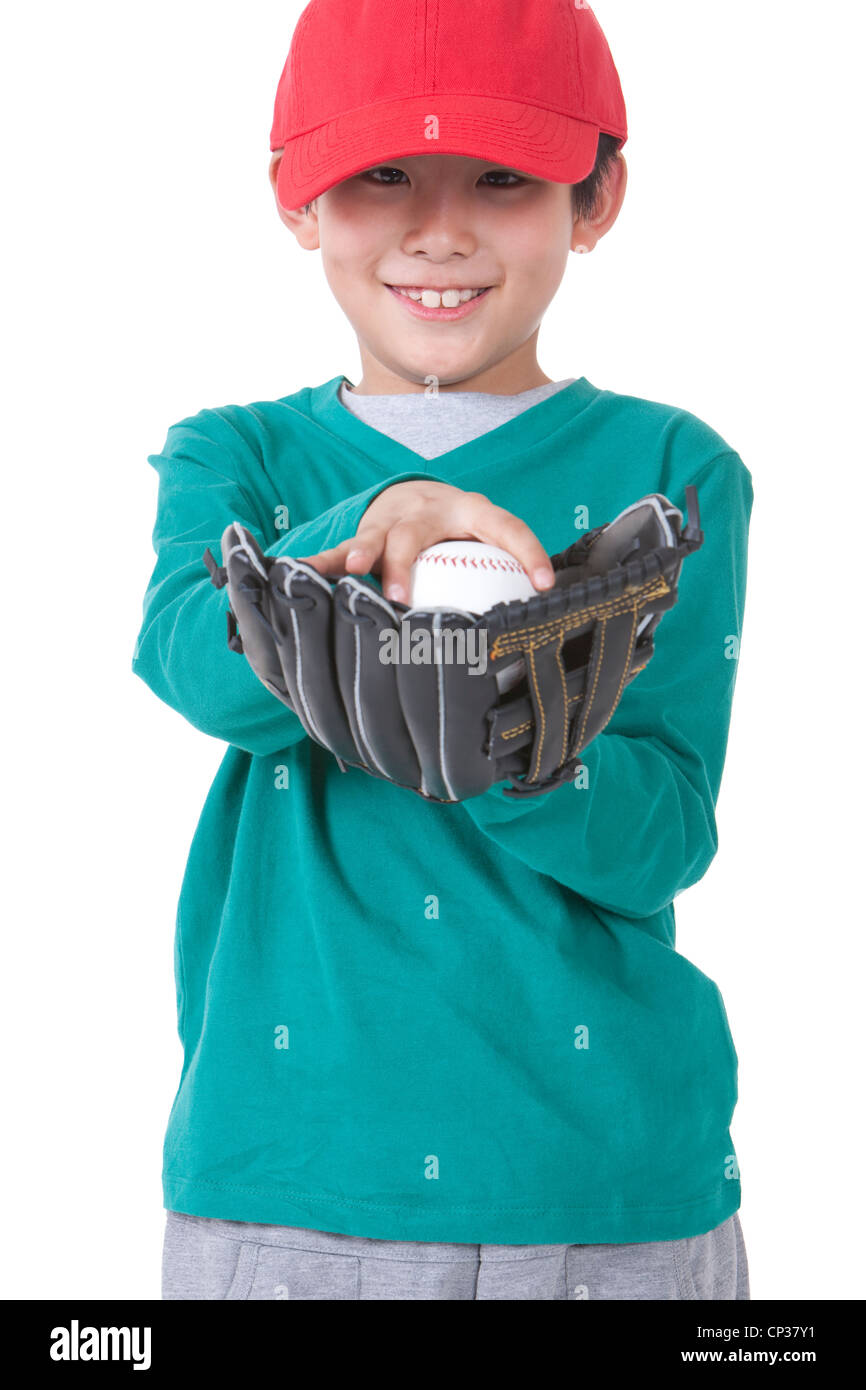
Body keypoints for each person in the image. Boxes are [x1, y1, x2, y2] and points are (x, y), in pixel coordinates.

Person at [133, 0, 753, 1300]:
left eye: (502, 177)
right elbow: (189, 657)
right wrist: (369, 526)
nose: (438, 228)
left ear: (597, 195)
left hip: (608, 1189)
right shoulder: (237, 454)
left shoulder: (670, 471)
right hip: (296, 1179)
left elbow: (669, 831)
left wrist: (514, 743)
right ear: (294, 201)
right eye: (376, 175)